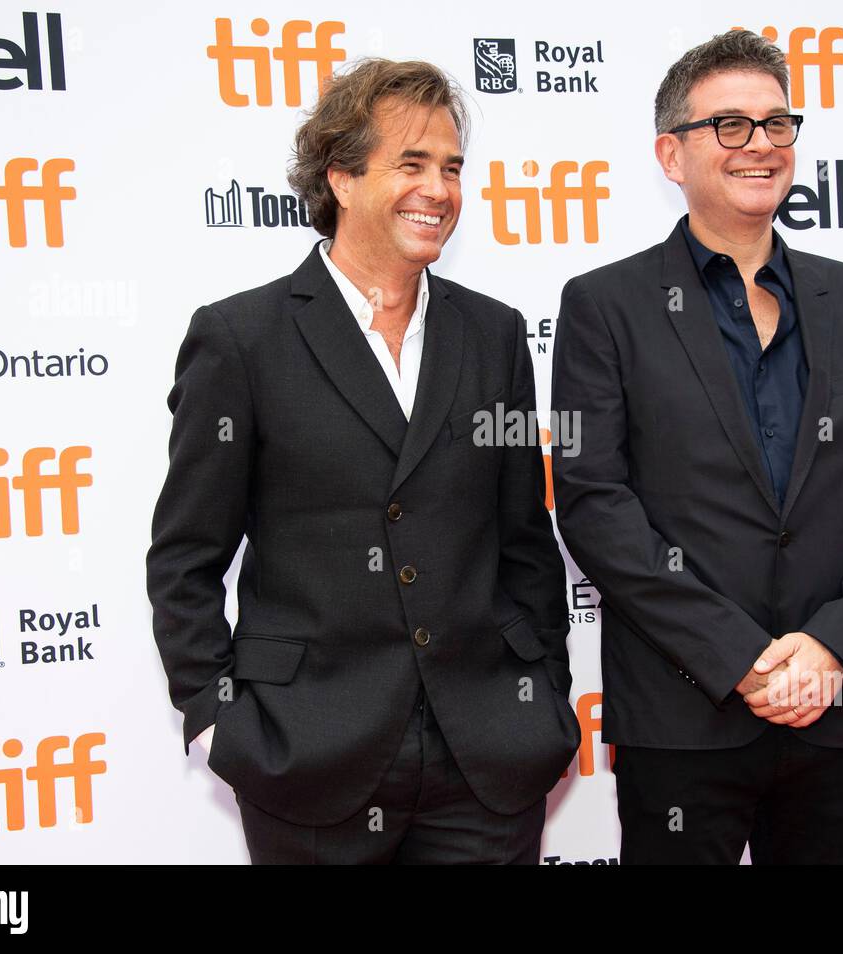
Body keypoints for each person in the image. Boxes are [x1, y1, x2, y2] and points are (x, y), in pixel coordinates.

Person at [146, 58, 578, 864]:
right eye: (410, 165)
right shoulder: (242, 340)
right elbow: (185, 558)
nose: (439, 190)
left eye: (451, 168)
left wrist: (542, 699)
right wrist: (217, 720)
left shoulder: (494, 335)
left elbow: (523, 537)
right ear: (340, 178)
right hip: (309, 759)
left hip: (487, 760)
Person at [550, 30, 843, 864]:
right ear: (671, 153)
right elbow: (594, 503)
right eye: (730, 125)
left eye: (778, 124)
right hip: (684, 716)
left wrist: (832, 647)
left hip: (832, 709)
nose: (761, 145)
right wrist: (742, 660)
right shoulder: (605, 306)